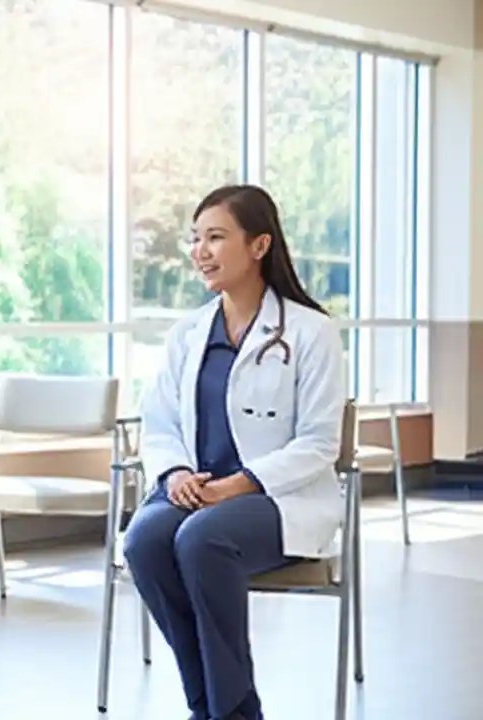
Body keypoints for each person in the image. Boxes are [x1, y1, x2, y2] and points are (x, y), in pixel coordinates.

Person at [124, 185, 346, 720]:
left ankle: (234, 711)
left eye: (216, 237)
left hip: (275, 498)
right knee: (145, 541)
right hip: (196, 490)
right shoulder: (187, 334)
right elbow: (159, 421)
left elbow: (319, 442)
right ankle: (209, 706)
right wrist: (175, 472)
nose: (200, 251)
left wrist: (239, 484)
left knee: (203, 538)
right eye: (195, 239)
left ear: (259, 244)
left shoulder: (312, 332)